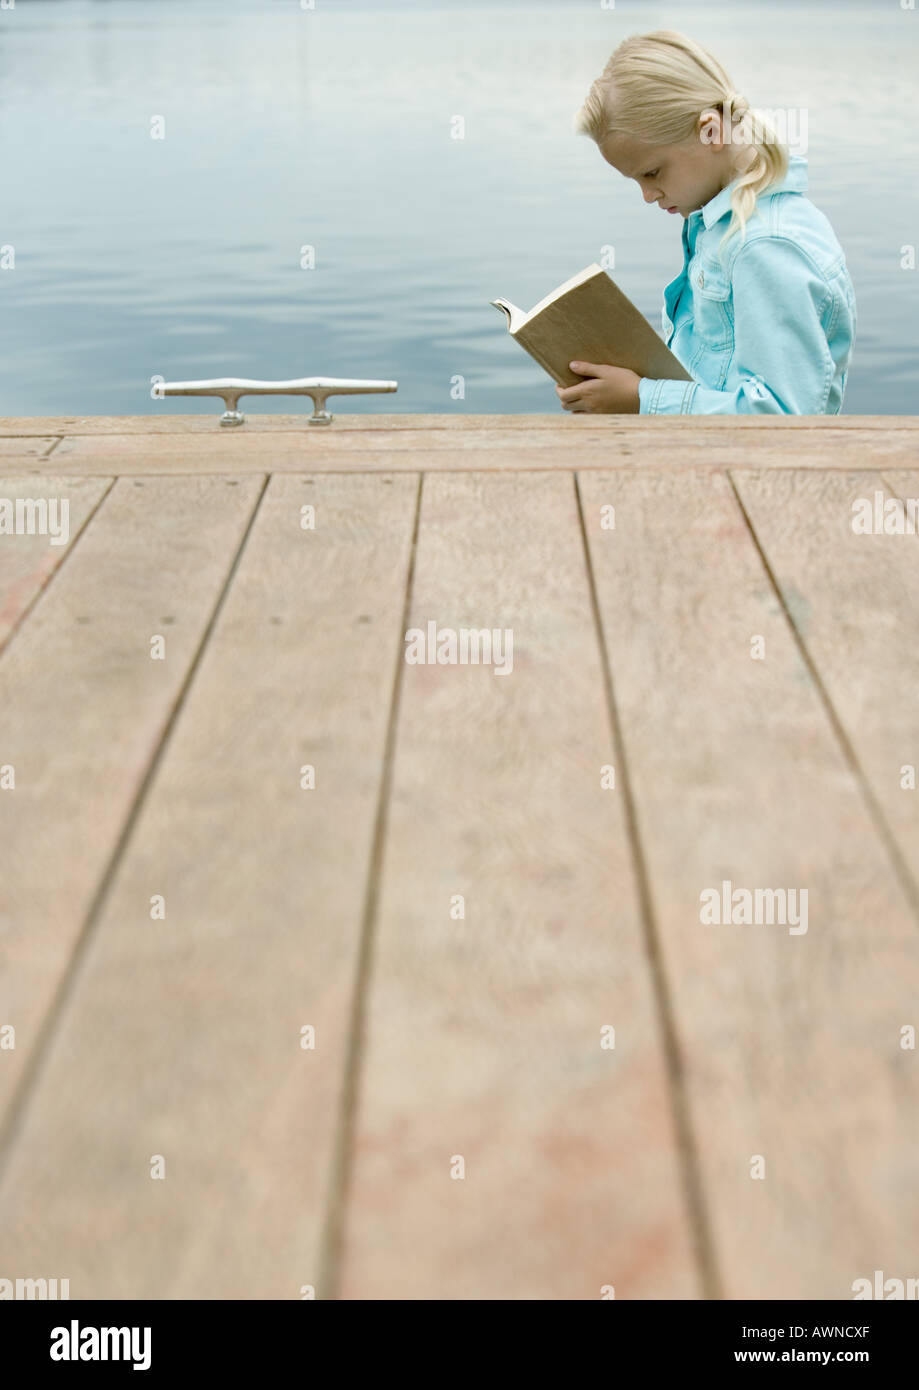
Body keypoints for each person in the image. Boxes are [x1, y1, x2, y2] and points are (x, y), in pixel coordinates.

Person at [558, 30, 856, 415]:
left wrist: (641, 398)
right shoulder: (722, 225)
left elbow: (784, 417)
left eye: (652, 173)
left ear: (711, 131)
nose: (648, 196)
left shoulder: (765, 246)